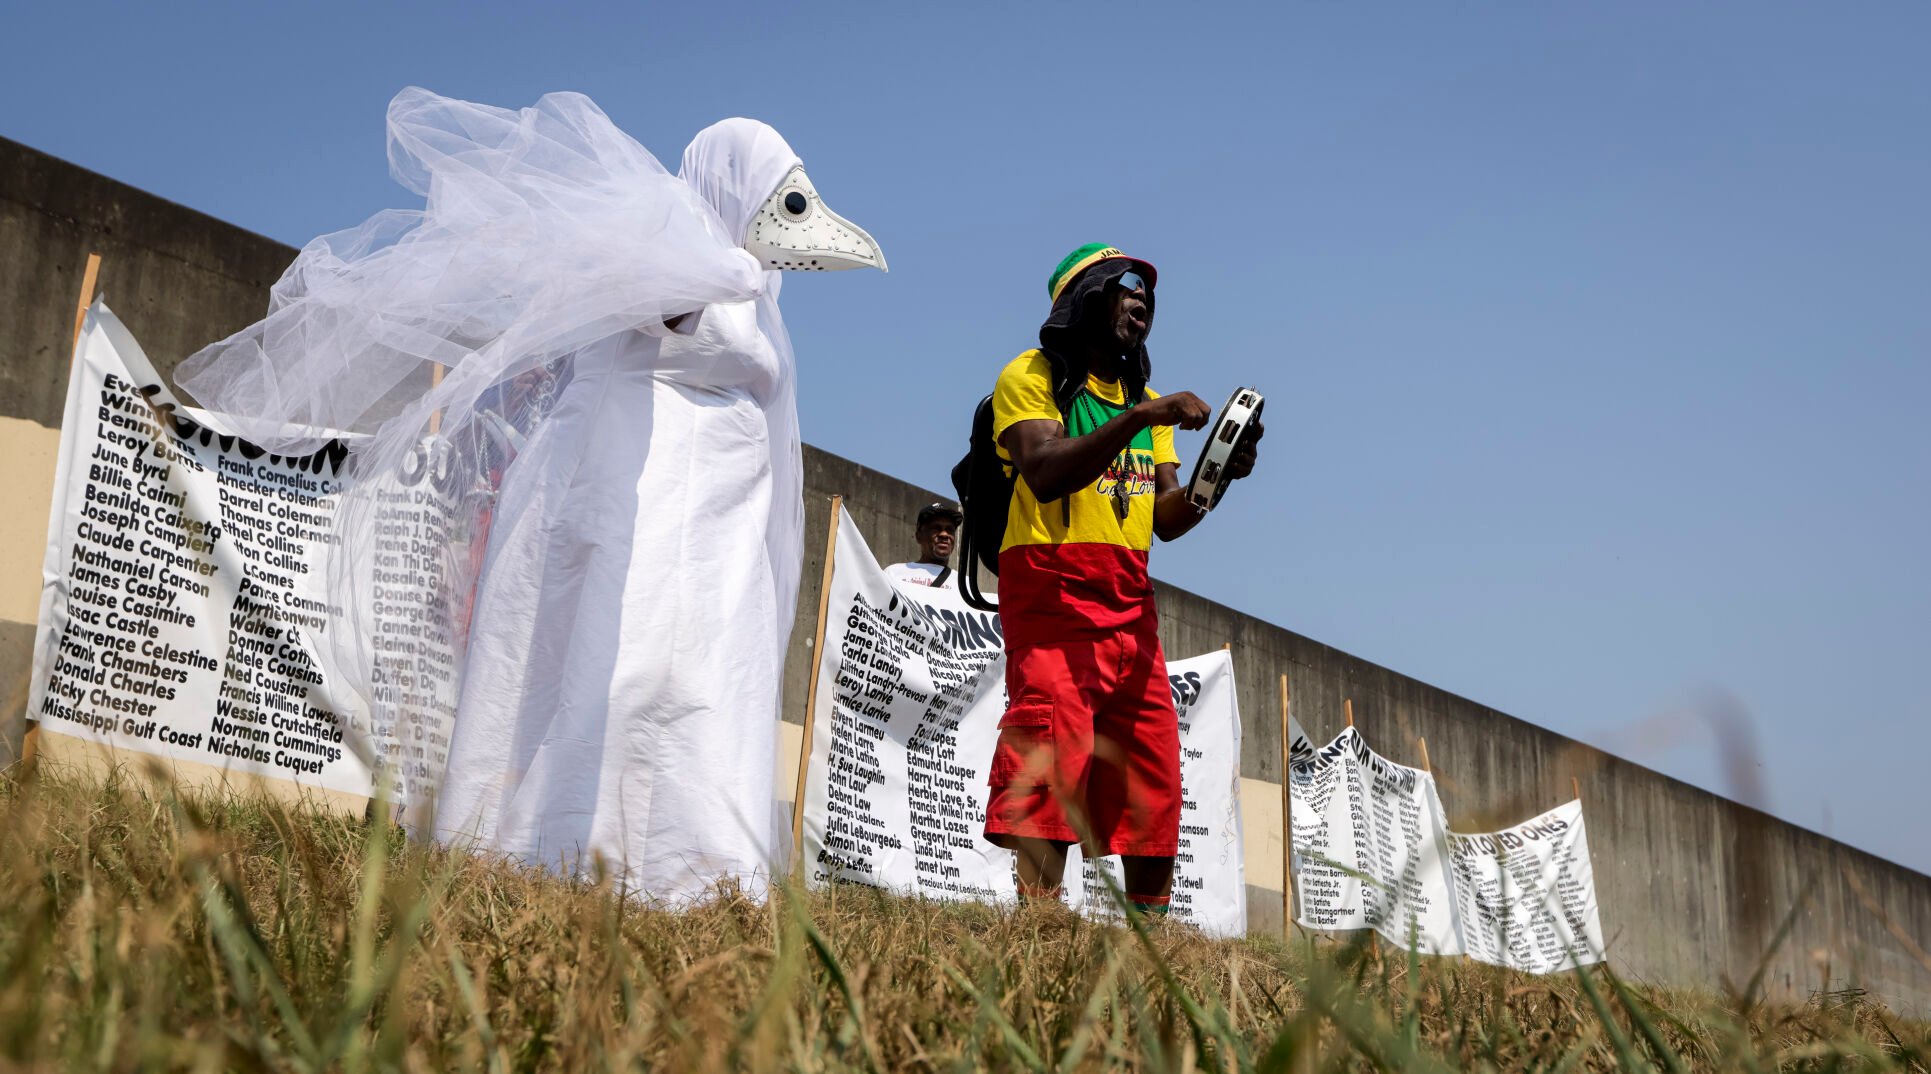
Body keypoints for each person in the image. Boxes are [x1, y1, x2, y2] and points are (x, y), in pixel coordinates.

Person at [177, 90, 886, 902]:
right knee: (622, 671)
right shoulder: (663, 252)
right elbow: (653, 304)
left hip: (726, 520)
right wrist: (695, 264)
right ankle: (571, 846)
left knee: (707, 680)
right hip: (638, 503)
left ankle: (701, 868)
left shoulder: (758, 293)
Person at [982, 243, 1261, 916]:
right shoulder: (1031, 375)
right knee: (1051, 741)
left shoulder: (1142, 400)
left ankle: (1148, 943)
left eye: (1148, 297)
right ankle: (1040, 925)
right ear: (1086, 298)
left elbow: (1166, 518)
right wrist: (1139, 419)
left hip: (1128, 596)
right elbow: (1044, 472)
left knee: (1150, 760)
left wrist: (1215, 481)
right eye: (1124, 288)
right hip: (1050, 587)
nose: (1141, 300)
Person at [885, 502, 963, 589]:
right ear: (919, 536)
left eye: (950, 530)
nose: (944, 534)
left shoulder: (965, 586)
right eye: (936, 528)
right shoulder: (893, 573)